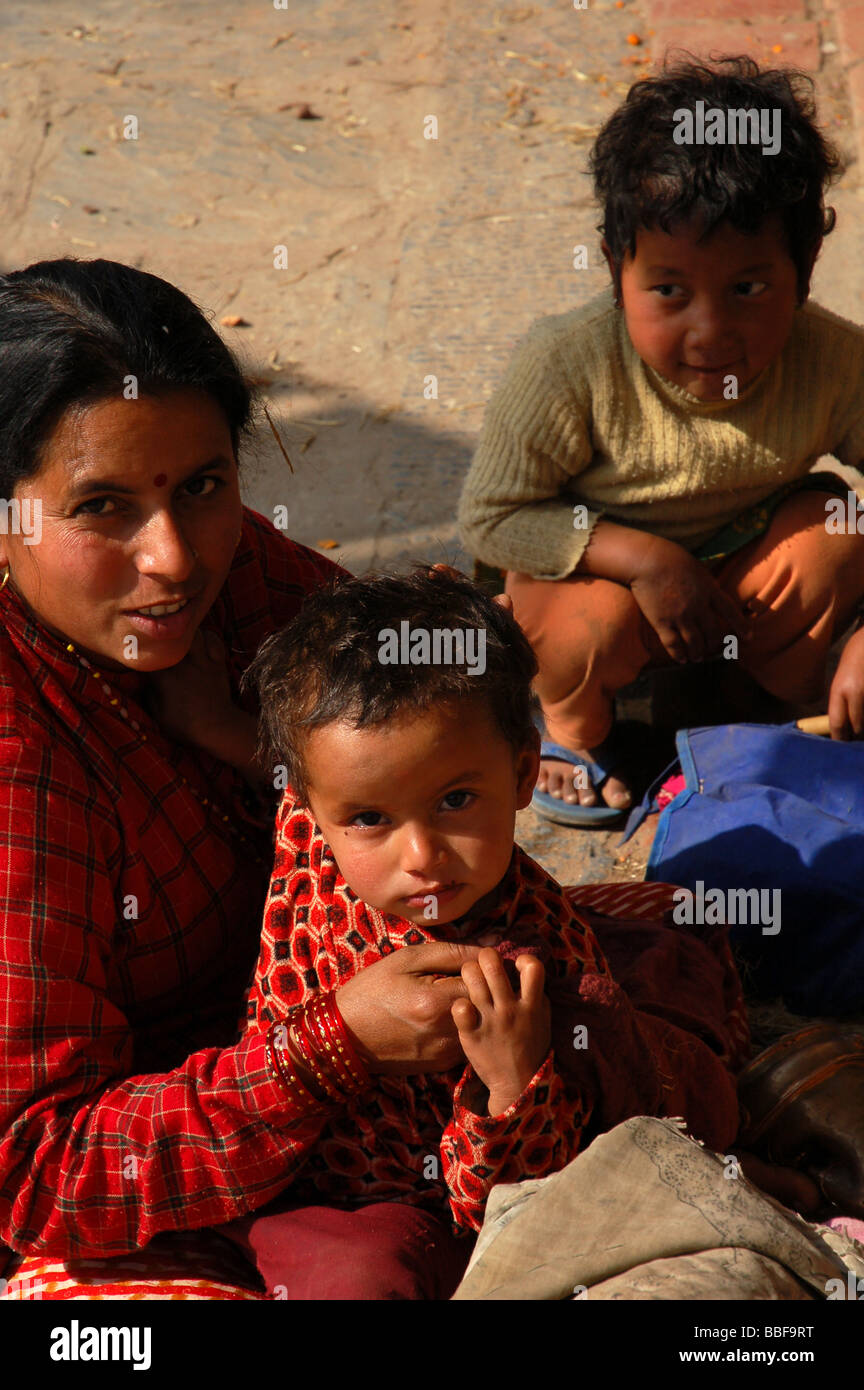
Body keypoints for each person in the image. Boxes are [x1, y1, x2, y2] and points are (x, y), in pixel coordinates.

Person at [0, 258, 489, 1301]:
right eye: (103, 507)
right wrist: (330, 1048)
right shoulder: (18, 757)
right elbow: (38, 1169)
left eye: (203, 487)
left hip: (307, 1087)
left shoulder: (244, 581)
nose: (174, 556)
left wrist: (257, 749)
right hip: (126, 1174)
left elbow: (438, 756)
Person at [177, 567, 745, 1300]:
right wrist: (208, 725)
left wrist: (511, 1082)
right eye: (371, 819)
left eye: (455, 800)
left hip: (407, 1204)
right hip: (284, 1147)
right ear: (310, 808)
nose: (421, 859)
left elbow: (512, 1215)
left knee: (369, 1279)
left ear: (522, 775)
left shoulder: (528, 966)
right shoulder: (320, 817)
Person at [457, 55, 864, 826]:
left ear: (806, 266)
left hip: (742, 572)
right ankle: (575, 729)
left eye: (748, 288)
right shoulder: (566, 362)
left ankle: (771, 704)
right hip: (596, 583)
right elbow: (494, 518)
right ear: (617, 270)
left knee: (836, 537)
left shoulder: (836, 362)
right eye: (669, 291)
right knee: (581, 627)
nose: (712, 333)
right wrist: (646, 559)